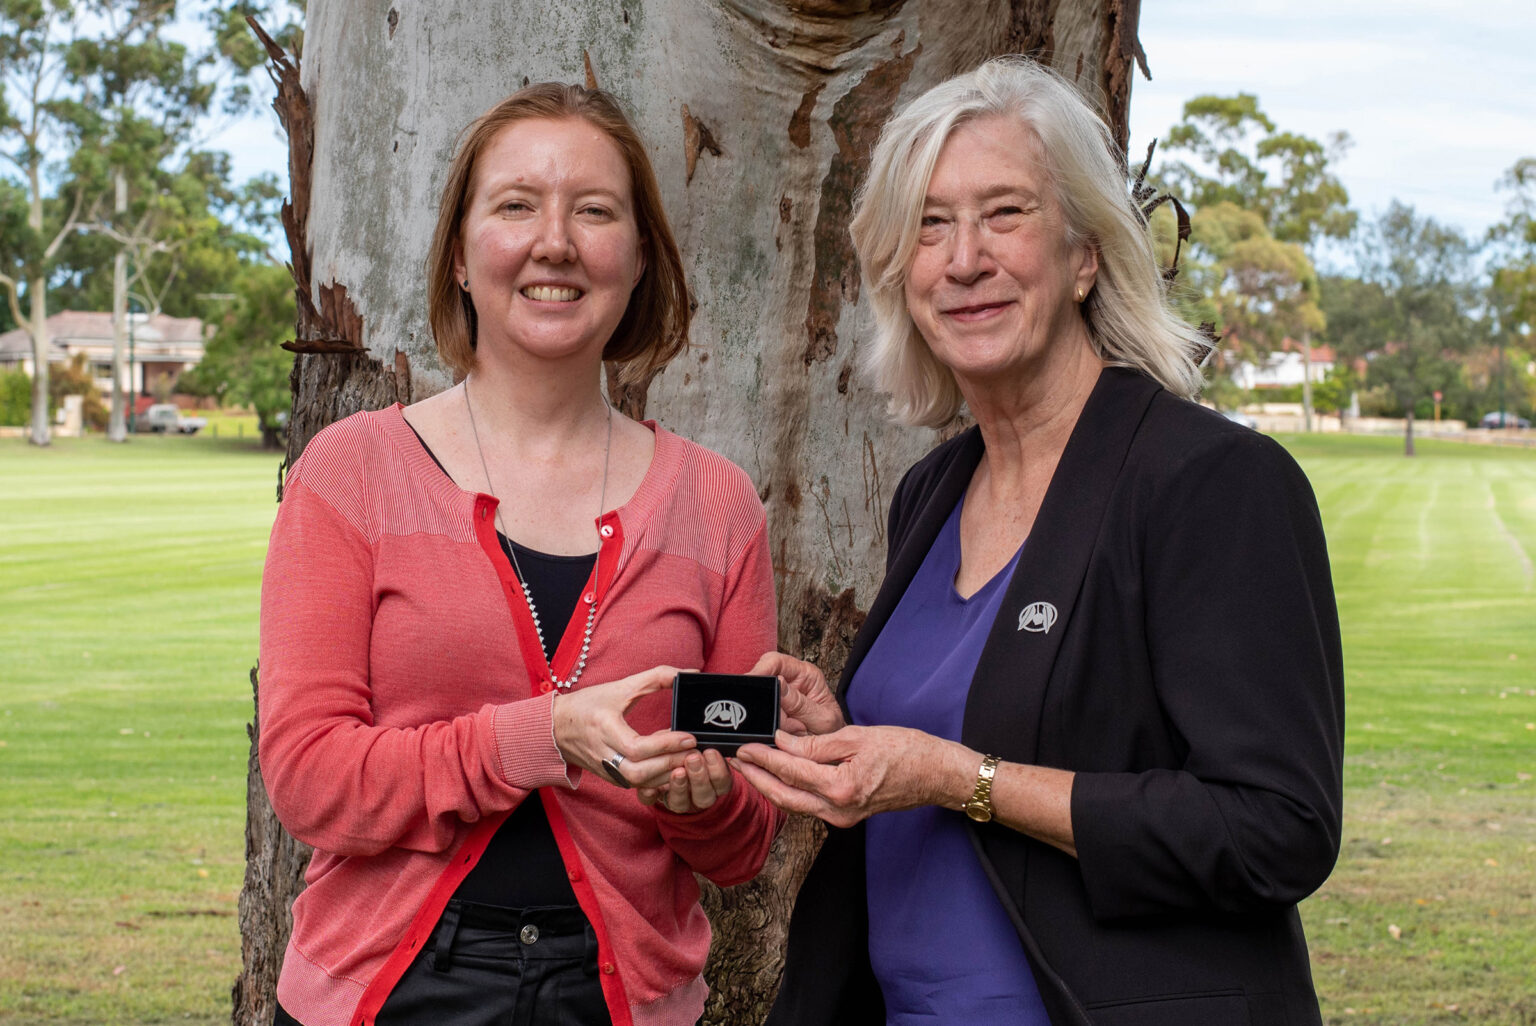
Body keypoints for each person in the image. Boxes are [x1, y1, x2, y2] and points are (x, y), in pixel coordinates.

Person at [734, 57, 1344, 1026]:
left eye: (1005, 213)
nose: (964, 258)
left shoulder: (1212, 484)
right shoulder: (934, 491)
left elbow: (1277, 830)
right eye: (930, 224)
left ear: (1086, 254)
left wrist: (959, 779)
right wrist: (839, 737)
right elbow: (969, 725)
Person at [258, 83, 782, 1026]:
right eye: (515, 206)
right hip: (384, 995)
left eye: (594, 210)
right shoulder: (352, 473)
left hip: (622, 999)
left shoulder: (718, 503)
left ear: (637, 258)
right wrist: (546, 736)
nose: (556, 242)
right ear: (459, 255)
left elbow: (743, 843)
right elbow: (307, 776)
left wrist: (699, 803)